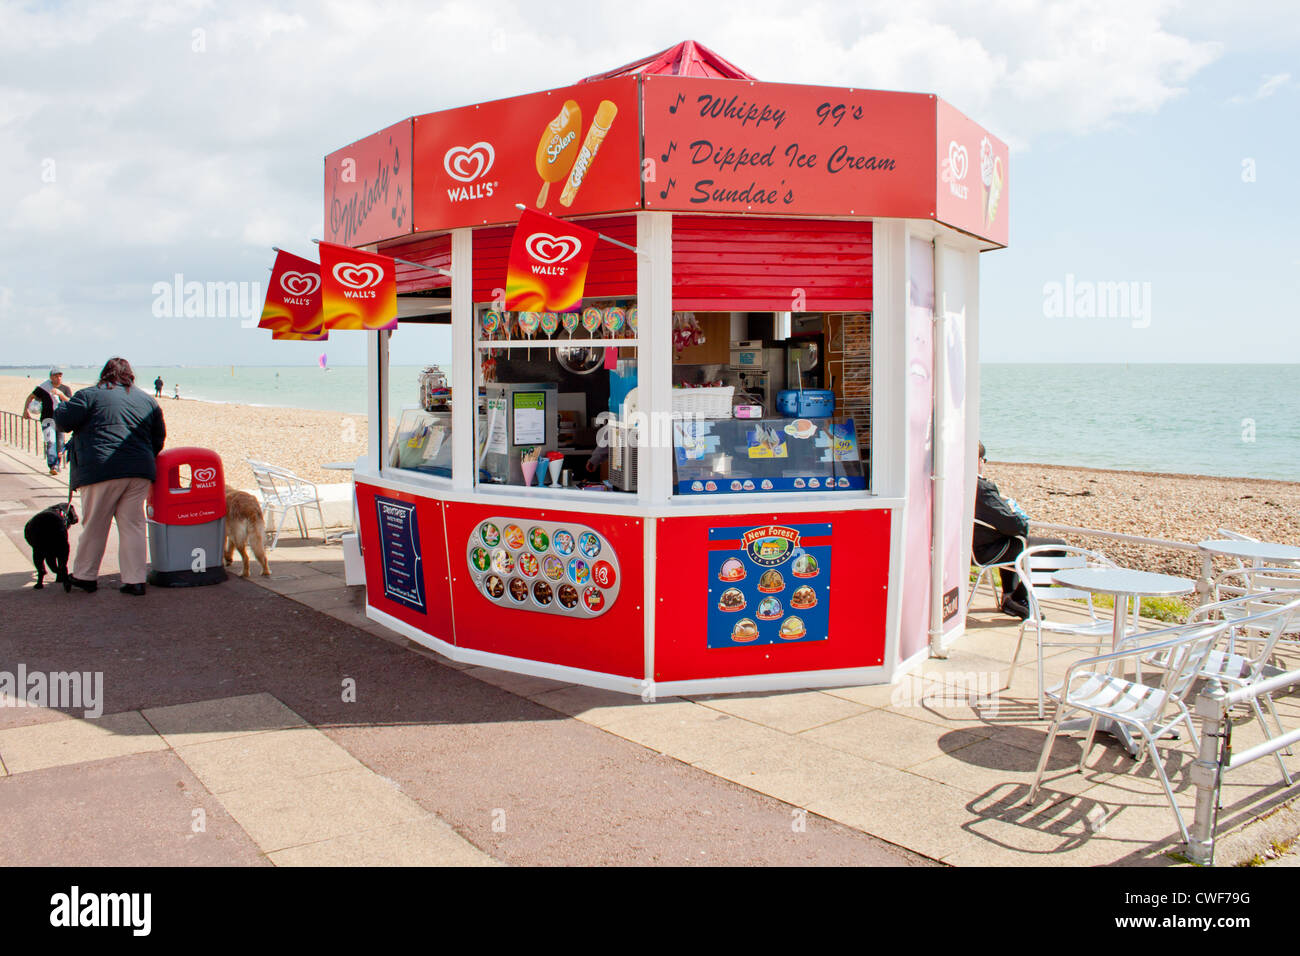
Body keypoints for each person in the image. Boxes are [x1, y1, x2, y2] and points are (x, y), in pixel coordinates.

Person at [54, 357, 166, 596]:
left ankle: (85, 575)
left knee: (95, 523)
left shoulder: (89, 395)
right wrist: (144, 456)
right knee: (133, 525)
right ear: (130, 375)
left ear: (105, 374)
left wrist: (61, 404)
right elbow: (159, 438)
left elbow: (63, 422)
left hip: (100, 469)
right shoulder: (148, 400)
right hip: (139, 471)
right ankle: (135, 580)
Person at [972, 441, 1065, 619]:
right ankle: (1020, 598)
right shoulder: (981, 488)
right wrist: (1015, 513)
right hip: (984, 552)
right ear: (980, 461)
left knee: (1009, 539)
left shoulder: (951, 484)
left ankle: (1009, 596)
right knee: (1056, 547)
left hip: (967, 548)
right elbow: (1017, 527)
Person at [21, 368, 73, 476]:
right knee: (50, 442)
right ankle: (52, 465)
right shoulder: (43, 388)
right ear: (51, 377)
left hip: (61, 420)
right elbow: (30, 397)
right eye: (55, 376)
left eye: (60, 376)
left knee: (60, 443)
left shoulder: (65, 388)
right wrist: (25, 410)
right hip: (47, 419)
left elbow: (71, 403)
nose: (58, 378)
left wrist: (60, 395)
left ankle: (57, 464)